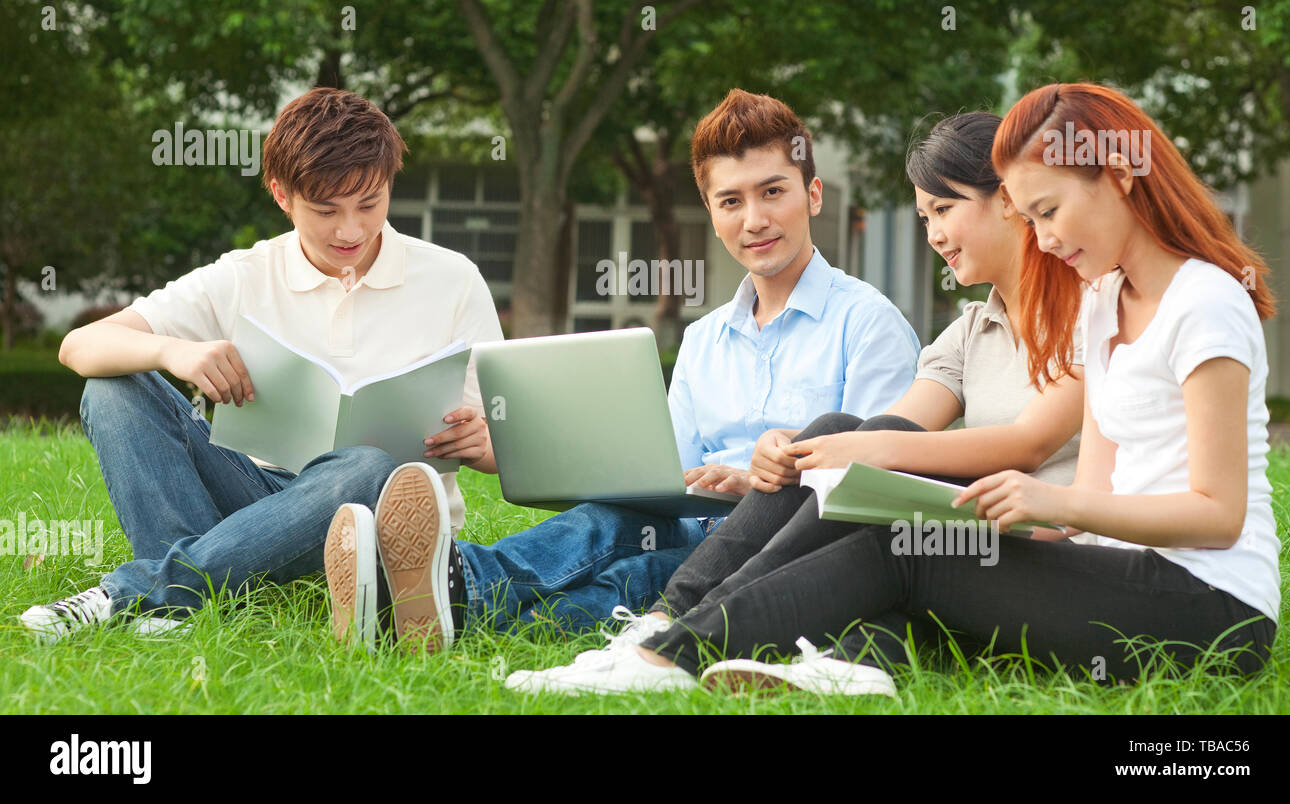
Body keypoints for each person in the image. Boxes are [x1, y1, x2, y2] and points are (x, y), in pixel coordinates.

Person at [516, 82, 1281, 696]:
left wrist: (1047, 503)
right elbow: (1084, 502)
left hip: (1211, 609)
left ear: (1117, 176)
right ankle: (676, 644)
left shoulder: (1206, 302)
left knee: (906, 551)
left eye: (1047, 211)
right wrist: (995, 523)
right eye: (1031, 215)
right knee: (903, 530)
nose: (1044, 237)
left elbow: (1217, 518)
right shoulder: (1108, 306)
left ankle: (666, 657)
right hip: (1116, 573)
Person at [324, 88, 922, 651]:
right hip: (697, 529)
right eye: (731, 201)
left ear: (812, 195)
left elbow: (875, 493)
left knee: (638, 575)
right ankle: (447, 595)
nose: (754, 220)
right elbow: (668, 477)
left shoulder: (869, 324)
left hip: (788, 548)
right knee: (608, 522)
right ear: (711, 213)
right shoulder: (703, 339)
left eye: (773, 193)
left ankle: (432, 598)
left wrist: (754, 486)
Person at [21, 87, 504, 643]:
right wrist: (173, 351)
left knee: (369, 465)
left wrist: (481, 445)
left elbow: (500, 443)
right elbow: (79, 346)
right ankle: (179, 601)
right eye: (326, 211)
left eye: (369, 204)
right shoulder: (246, 274)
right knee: (113, 387)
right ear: (282, 194)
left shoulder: (453, 280)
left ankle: (152, 594)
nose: (350, 231)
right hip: (255, 494)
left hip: (375, 520)